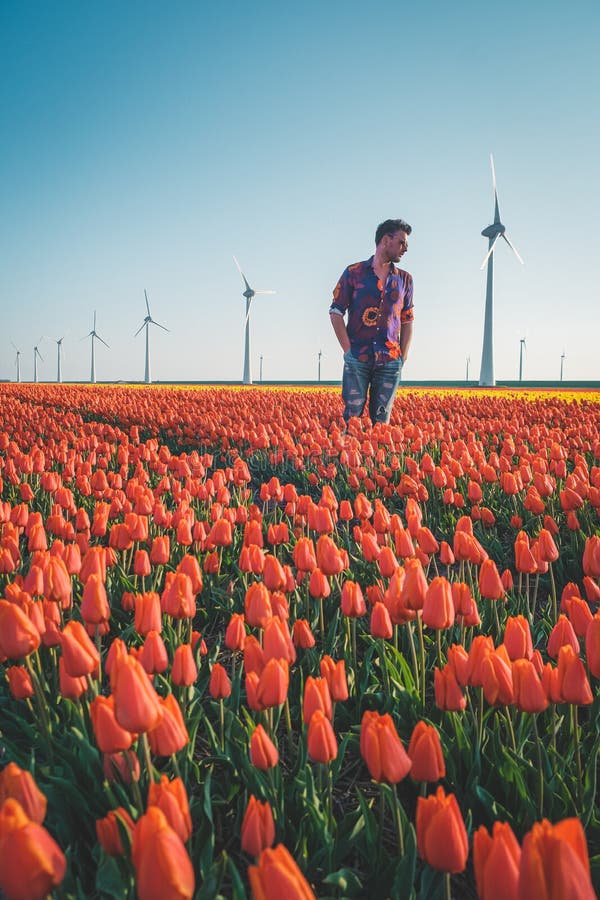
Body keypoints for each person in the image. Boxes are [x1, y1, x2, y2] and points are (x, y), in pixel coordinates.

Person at [329, 219, 414, 424]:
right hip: (357, 357)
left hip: (390, 360)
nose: (406, 248)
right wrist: (348, 350)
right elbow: (335, 311)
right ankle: (350, 455)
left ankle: (373, 457)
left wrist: (402, 356)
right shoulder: (353, 273)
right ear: (386, 240)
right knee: (352, 420)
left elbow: (407, 320)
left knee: (381, 423)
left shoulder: (405, 279)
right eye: (402, 242)